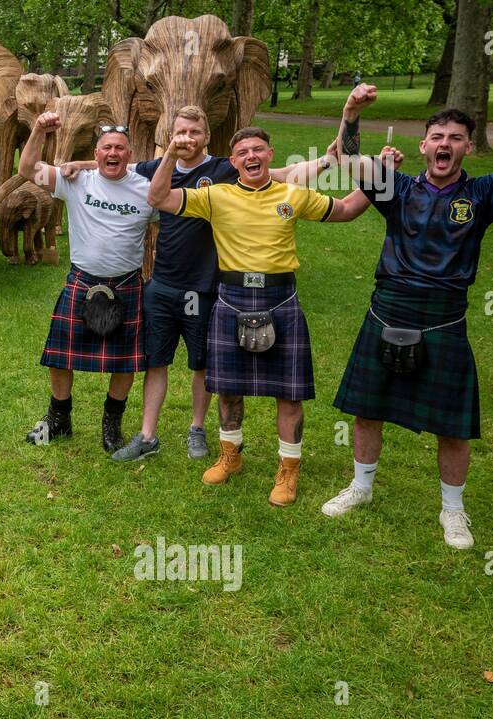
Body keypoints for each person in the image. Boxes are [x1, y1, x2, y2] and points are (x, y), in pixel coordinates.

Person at [60, 106, 339, 462]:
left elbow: (285, 173)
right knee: (155, 361)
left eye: (194, 132)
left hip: (205, 285)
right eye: (180, 133)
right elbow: (117, 167)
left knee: (201, 364)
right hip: (161, 282)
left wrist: (327, 162)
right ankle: (148, 435)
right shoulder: (155, 168)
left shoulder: (224, 168)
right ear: (170, 137)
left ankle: (196, 429)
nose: (187, 139)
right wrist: (79, 165)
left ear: (206, 136)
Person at [324, 93, 493, 548]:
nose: (445, 144)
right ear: (423, 146)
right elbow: (346, 157)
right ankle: (360, 488)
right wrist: (350, 114)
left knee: (451, 424)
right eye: (437, 137)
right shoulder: (397, 188)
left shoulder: (483, 193)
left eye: (456, 138)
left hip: (444, 318)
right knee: (368, 408)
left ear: (467, 147)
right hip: (388, 307)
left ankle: (453, 510)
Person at [146, 122, 371, 506]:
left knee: (288, 393)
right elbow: (159, 197)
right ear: (233, 161)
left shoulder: (293, 195)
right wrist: (171, 152)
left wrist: (382, 179)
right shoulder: (214, 196)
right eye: (243, 152)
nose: (251, 156)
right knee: (228, 388)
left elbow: (347, 210)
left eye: (258, 150)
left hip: (280, 298)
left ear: (270, 154)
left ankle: (288, 469)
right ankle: (230, 455)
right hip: (231, 297)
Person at [18, 114, 155, 453]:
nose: (113, 153)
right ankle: (59, 418)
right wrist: (38, 129)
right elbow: (27, 170)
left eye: (120, 148)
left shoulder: (147, 189)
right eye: (107, 147)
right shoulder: (77, 181)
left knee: (127, 361)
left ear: (129, 154)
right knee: (58, 356)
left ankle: (112, 423)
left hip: (126, 285)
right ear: (96, 154)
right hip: (82, 281)